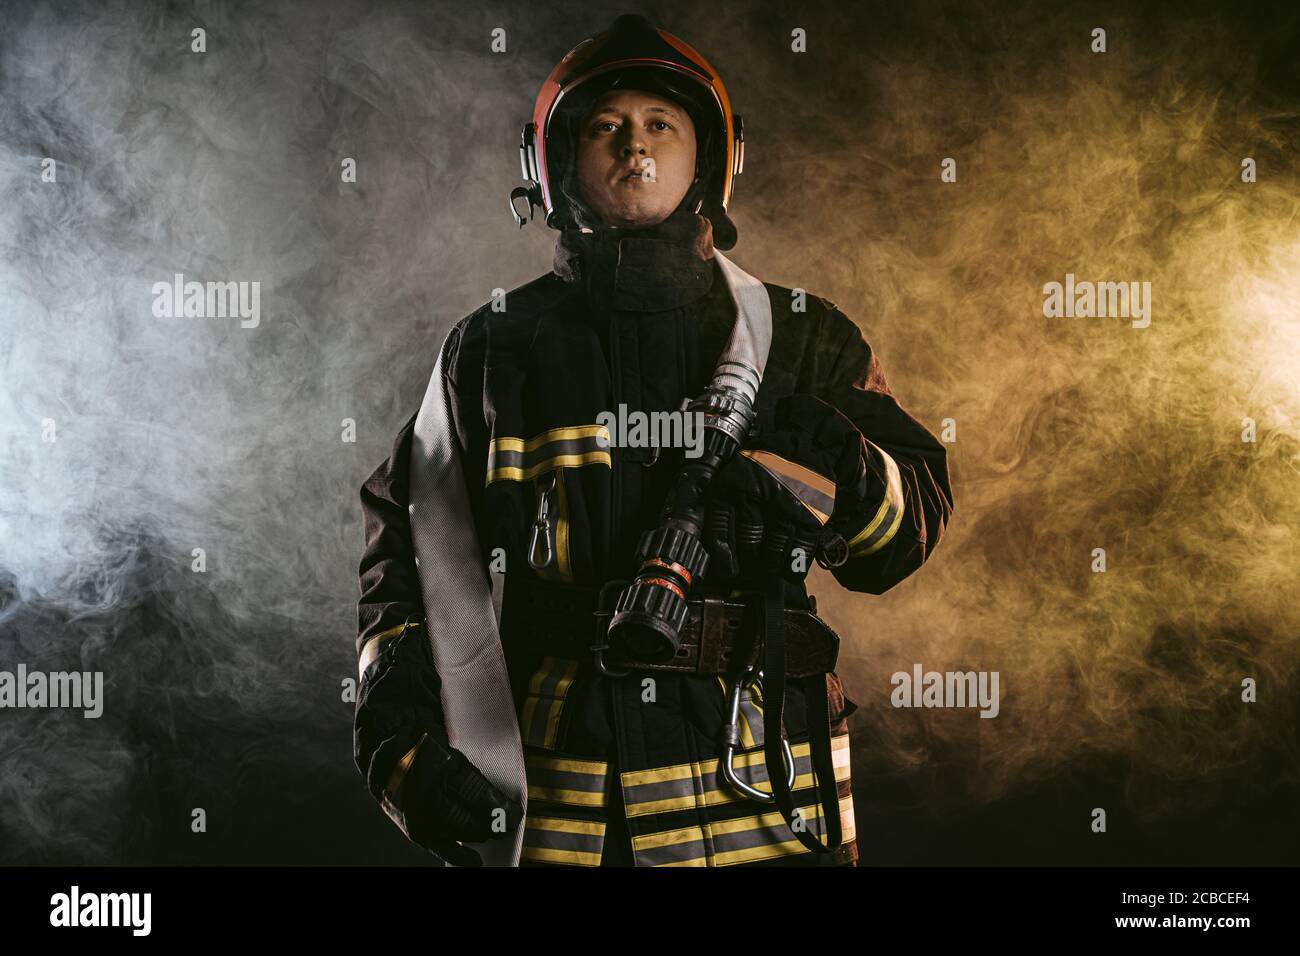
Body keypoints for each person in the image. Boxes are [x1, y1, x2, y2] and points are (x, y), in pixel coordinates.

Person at [353, 13, 954, 867]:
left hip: (763, 785)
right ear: (555, 166)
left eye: (660, 126)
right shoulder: (493, 349)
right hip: (565, 792)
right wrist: (399, 737)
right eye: (607, 127)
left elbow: (904, 534)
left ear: (708, 158)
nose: (635, 148)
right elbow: (409, 553)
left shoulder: (799, 336)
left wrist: (829, 465)